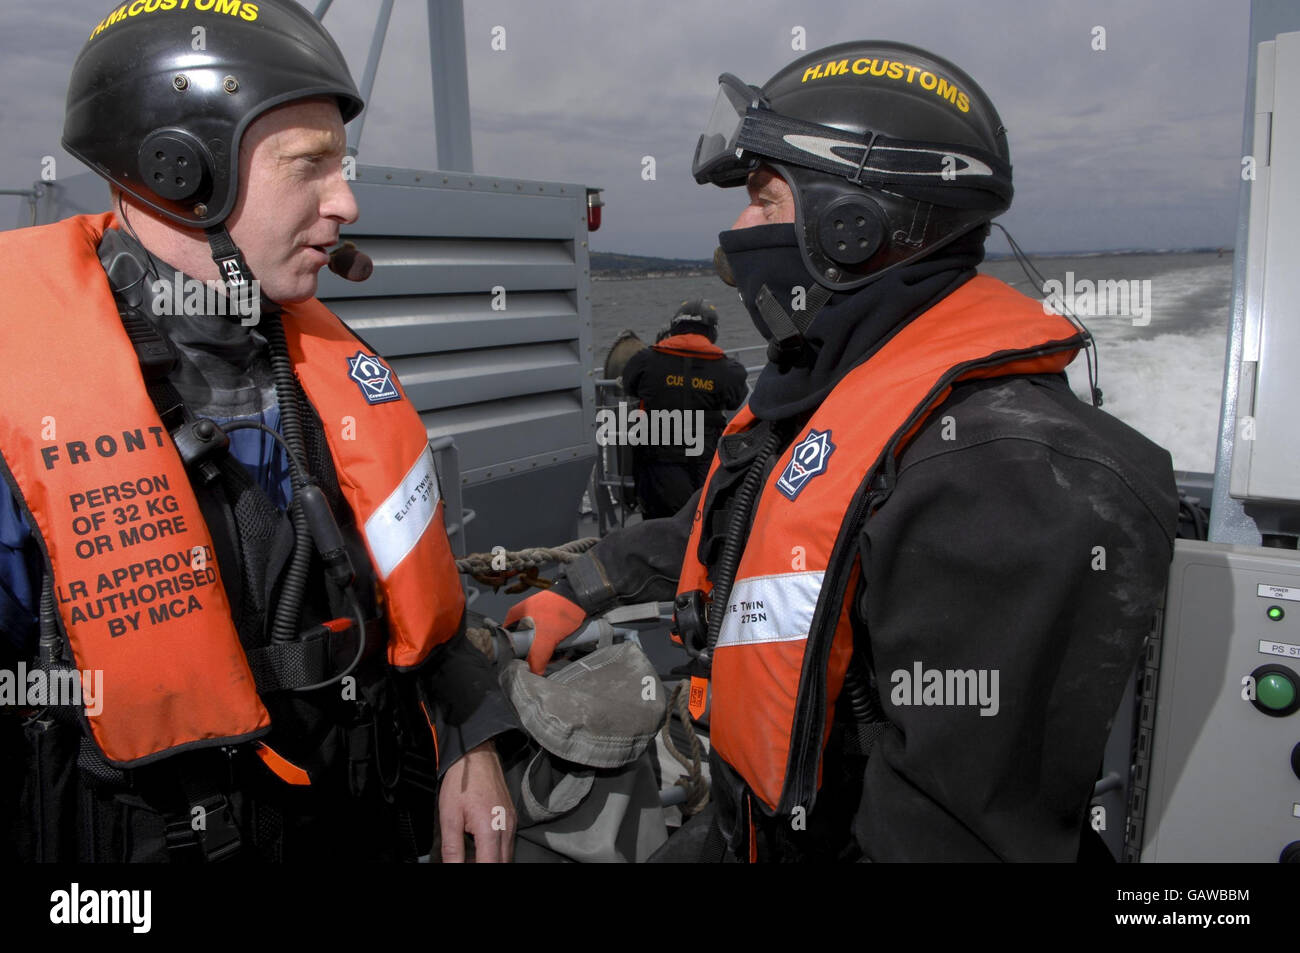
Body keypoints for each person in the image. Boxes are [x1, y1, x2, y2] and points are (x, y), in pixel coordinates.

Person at [505, 41, 1179, 861]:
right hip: (746, 821)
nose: (735, 235)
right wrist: (590, 582)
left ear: (850, 227)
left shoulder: (1006, 474)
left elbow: (943, 836)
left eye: (761, 200)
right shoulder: (827, 384)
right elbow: (743, 523)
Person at [0, 0, 516, 863]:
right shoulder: (19, 408)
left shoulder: (320, 369)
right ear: (176, 170)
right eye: (307, 166)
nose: (345, 200)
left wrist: (474, 736)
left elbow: (420, 611)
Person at [621, 300, 748, 518]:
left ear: (674, 328)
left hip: (658, 465)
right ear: (711, 332)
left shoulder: (645, 361)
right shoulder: (727, 369)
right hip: (704, 464)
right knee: (702, 522)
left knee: (658, 526)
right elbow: (735, 400)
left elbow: (629, 384)